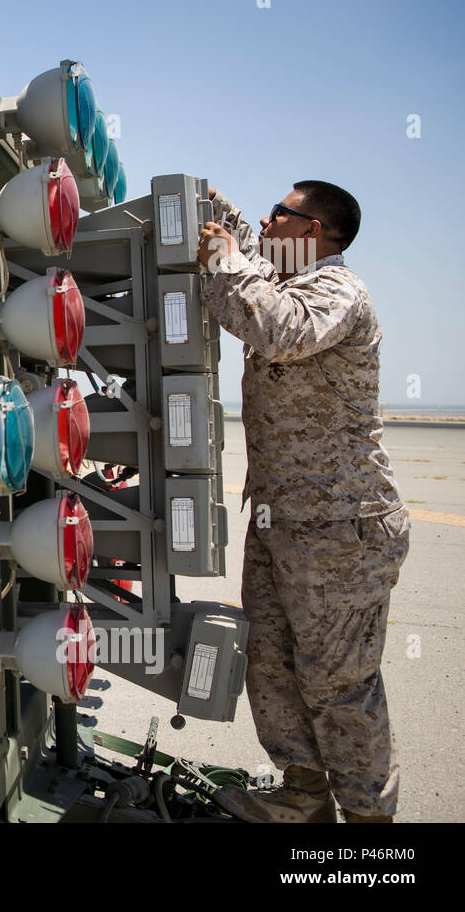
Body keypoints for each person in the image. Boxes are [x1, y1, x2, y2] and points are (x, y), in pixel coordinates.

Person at [194, 181, 409, 823]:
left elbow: (277, 330)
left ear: (311, 231)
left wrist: (227, 258)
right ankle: (303, 795)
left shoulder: (335, 292)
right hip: (283, 519)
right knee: (275, 662)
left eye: (279, 214)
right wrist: (219, 211)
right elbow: (255, 265)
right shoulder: (286, 278)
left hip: (343, 527)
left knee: (338, 682)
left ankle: (370, 829)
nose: (266, 221)